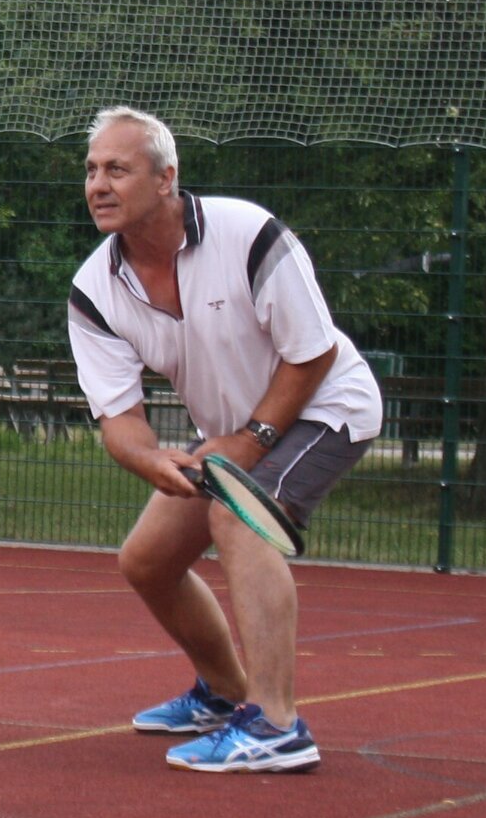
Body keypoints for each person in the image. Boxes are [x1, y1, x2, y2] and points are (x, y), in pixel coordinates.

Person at [67, 106, 382, 772]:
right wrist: (152, 458)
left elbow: (314, 353)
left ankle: (276, 725)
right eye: (92, 170)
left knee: (240, 515)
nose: (98, 184)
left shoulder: (248, 233)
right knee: (147, 560)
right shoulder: (94, 289)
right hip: (236, 434)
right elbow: (120, 420)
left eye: (117, 169)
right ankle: (222, 693)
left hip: (329, 407)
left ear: (165, 178)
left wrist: (252, 438)